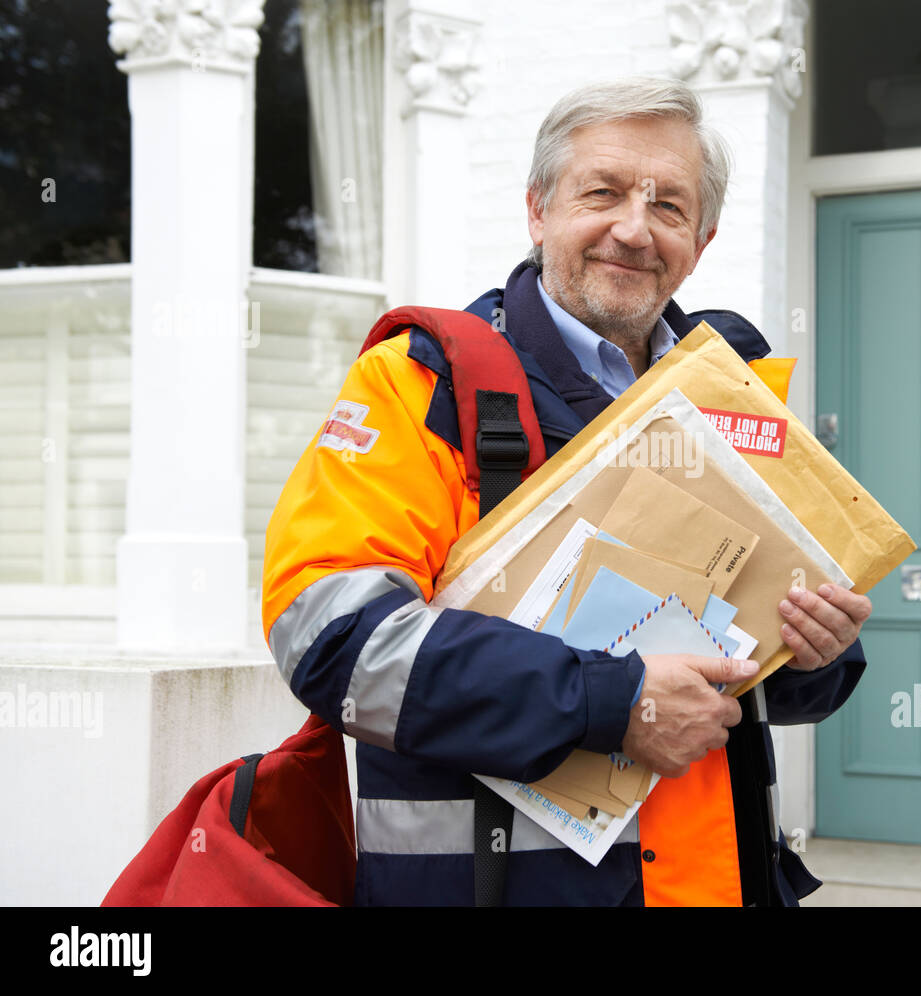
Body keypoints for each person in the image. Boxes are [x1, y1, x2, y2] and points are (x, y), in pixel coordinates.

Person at [261, 76, 871, 907]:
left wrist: (817, 652)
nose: (633, 228)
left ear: (703, 236)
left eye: (668, 206)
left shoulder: (738, 399)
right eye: (603, 192)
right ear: (538, 210)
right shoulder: (418, 382)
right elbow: (333, 641)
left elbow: (781, 681)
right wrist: (610, 701)